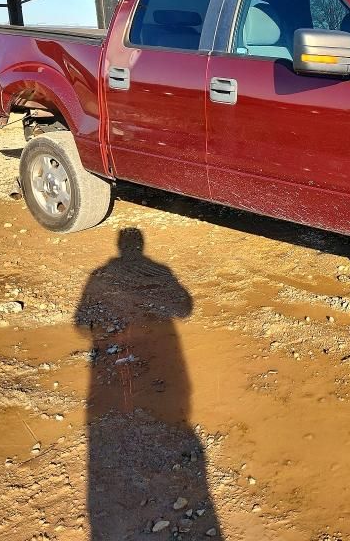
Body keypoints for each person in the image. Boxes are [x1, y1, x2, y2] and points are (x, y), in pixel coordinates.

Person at [75, 228, 221, 539]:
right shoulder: (159, 271)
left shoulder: (100, 274)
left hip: (118, 363)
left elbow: (81, 324)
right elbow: (185, 307)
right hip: (162, 360)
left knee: (123, 400)